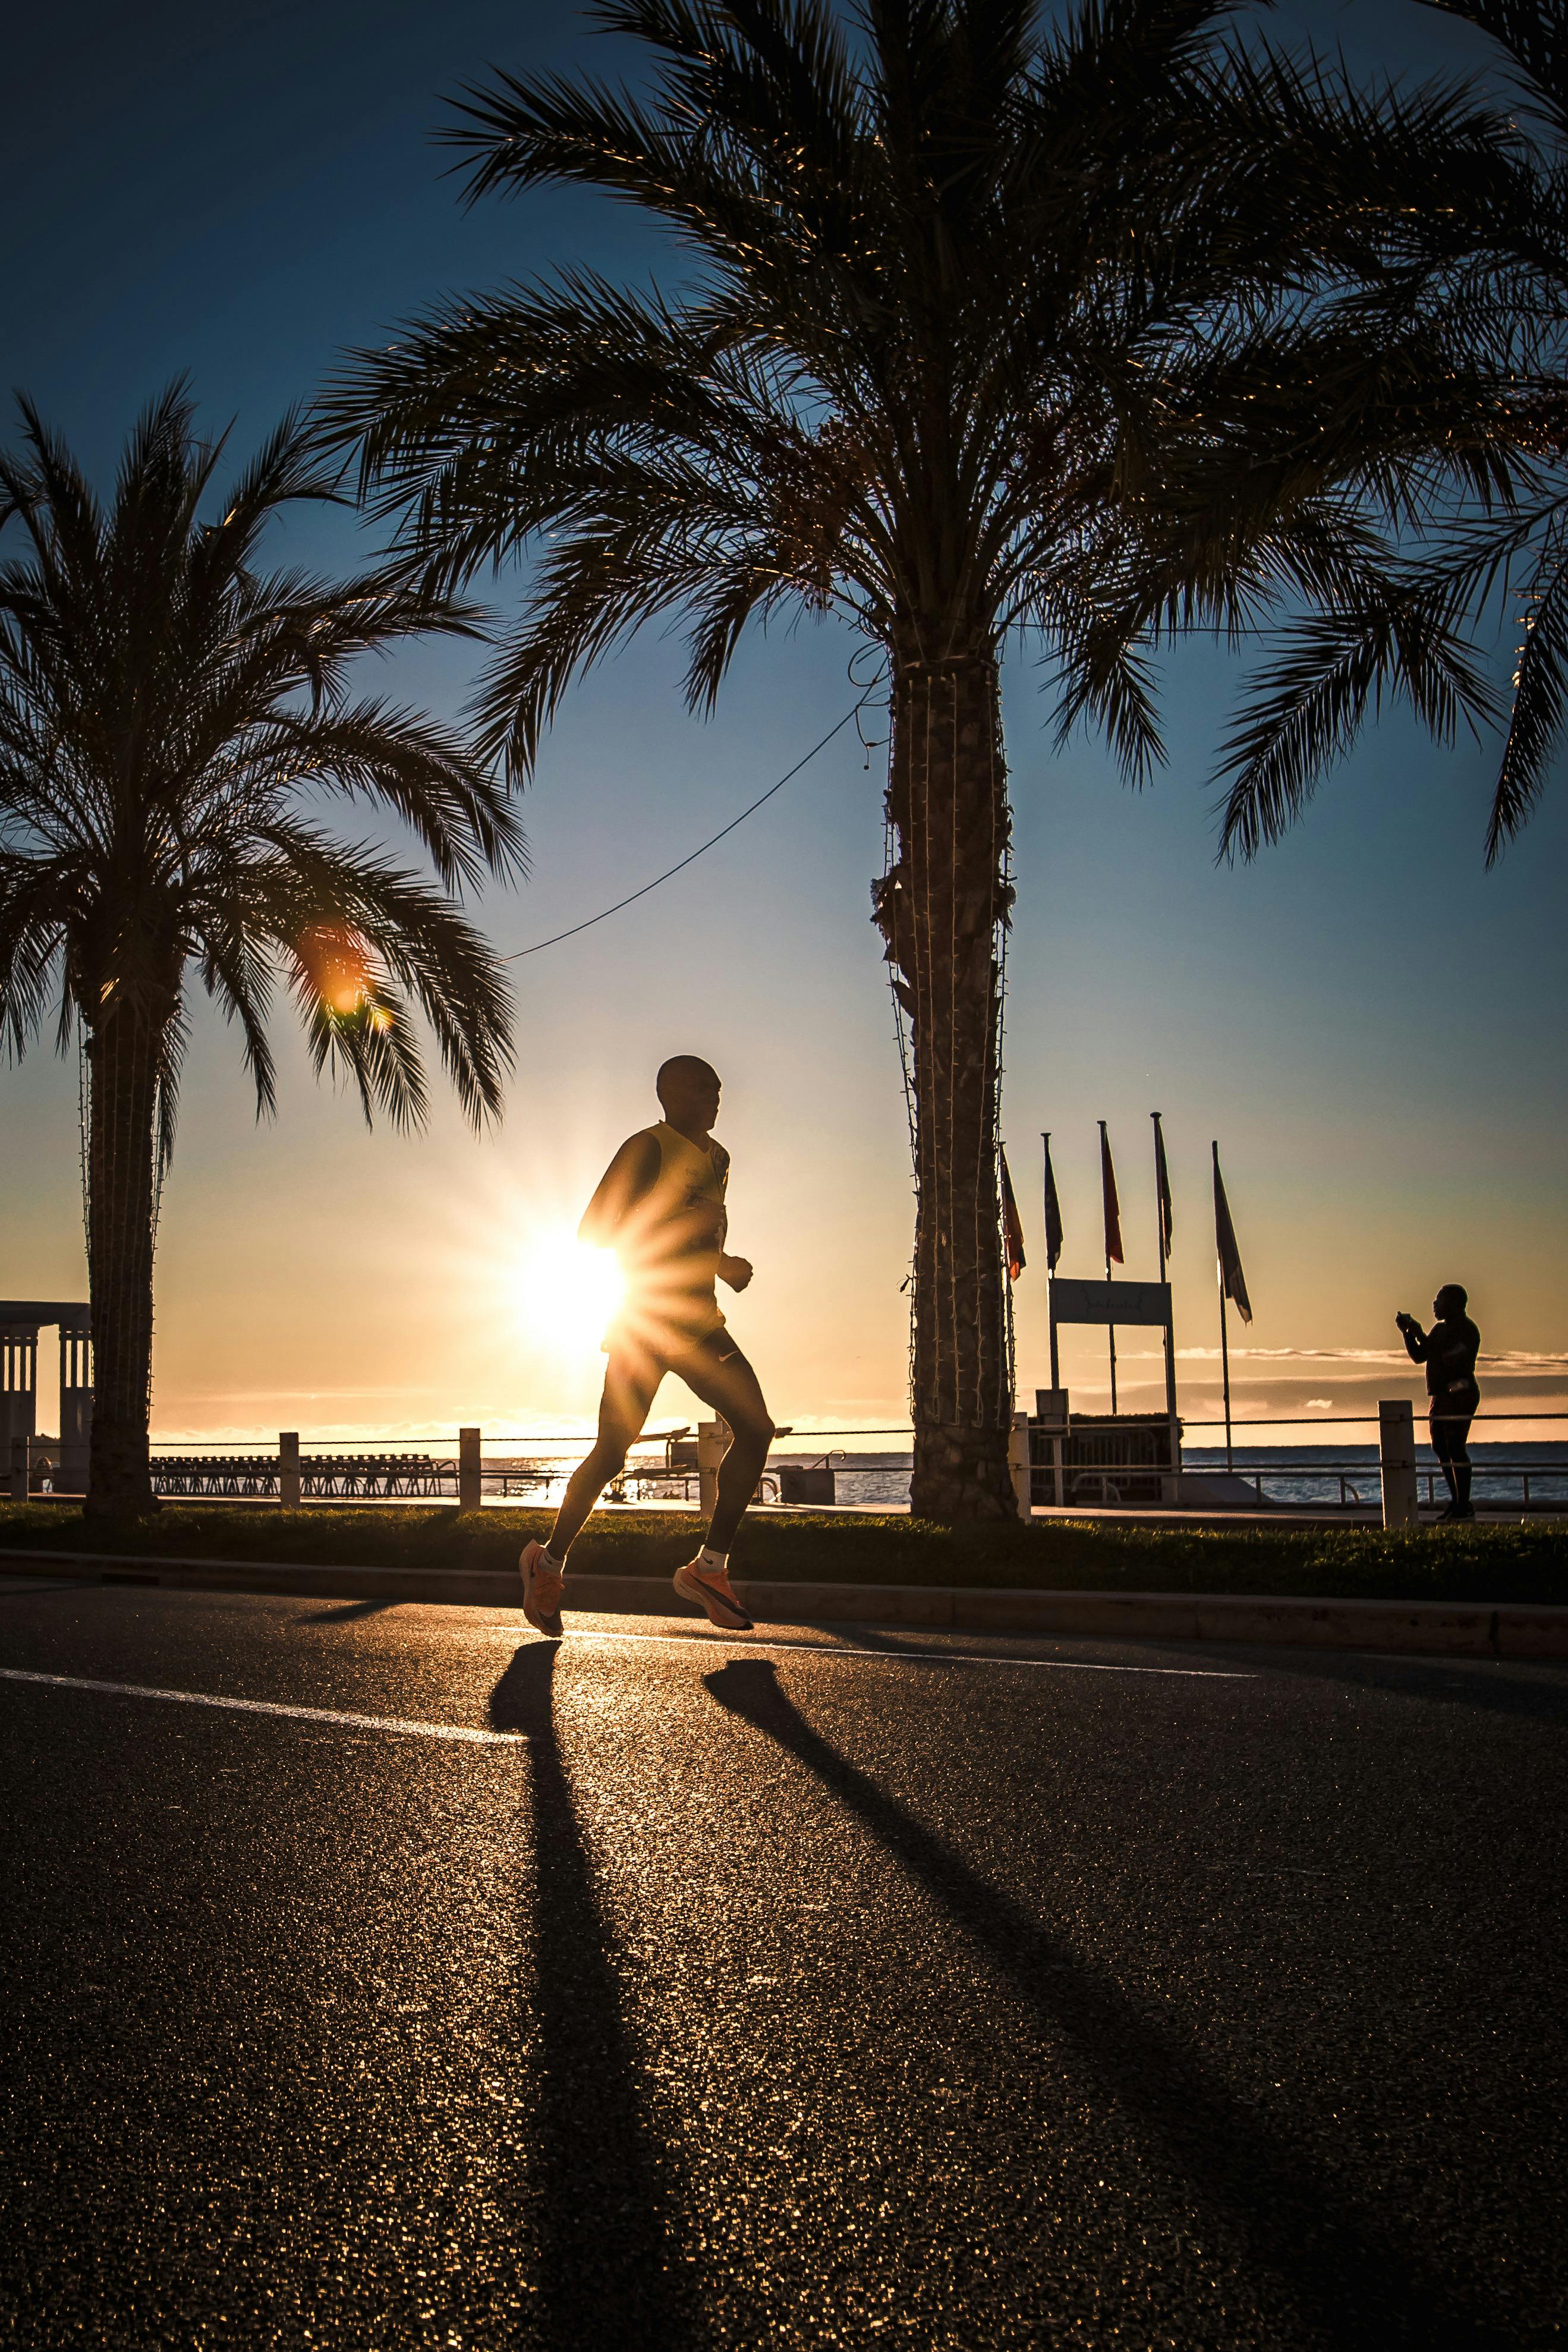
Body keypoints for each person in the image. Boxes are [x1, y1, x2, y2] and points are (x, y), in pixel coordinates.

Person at [519, 1054, 773, 1636]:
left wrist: (717, 1263)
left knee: (756, 1428)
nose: (715, 1096)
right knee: (612, 1453)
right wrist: (701, 1243)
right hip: (644, 1324)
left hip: (698, 1323)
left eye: (718, 1088)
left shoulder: (719, 1158)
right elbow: (594, 1232)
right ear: (669, 1094)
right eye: (702, 1088)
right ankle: (546, 1564)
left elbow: (695, 1230)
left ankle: (708, 1569)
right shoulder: (646, 1148)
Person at [1396, 1285, 1481, 1522]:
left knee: (1455, 1446)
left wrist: (1420, 1334)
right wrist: (1408, 1333)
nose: (1435, 1304)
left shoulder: (1466, 1329)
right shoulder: (1439, 1330)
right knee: (1441, 1448)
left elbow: (1447, 1358)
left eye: (1440, 1300)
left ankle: (1464, 1505)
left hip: (1460, 1394)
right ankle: (1457, 1502)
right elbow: (1420, 1356)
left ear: (1455, 1304)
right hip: (1439, 1398)